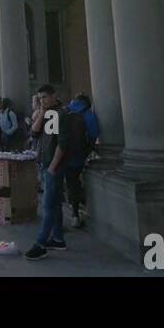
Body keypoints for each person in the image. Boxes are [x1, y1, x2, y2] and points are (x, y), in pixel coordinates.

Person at [25, 84, 89, 261]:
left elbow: (62, 143)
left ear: (54, 96)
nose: (42, 100)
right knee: (54, 203)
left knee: (48, 206)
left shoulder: (61, 114)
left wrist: (53, 166)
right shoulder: (50, 114)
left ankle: (40, 243)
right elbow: (35, 133)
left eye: (45, 97)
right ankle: (58, 238)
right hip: (46, 164)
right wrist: (41, 112)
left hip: (54, 166)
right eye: (40, 98)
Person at [65, 93, 98, 227]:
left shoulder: (66, 110)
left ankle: (75, 213)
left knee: (71, 182)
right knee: (75, 181)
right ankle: (78, 207)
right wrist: (86, 152)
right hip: (79, 155)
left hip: (65, 154)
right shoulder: (89, 115)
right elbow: (93, 135)